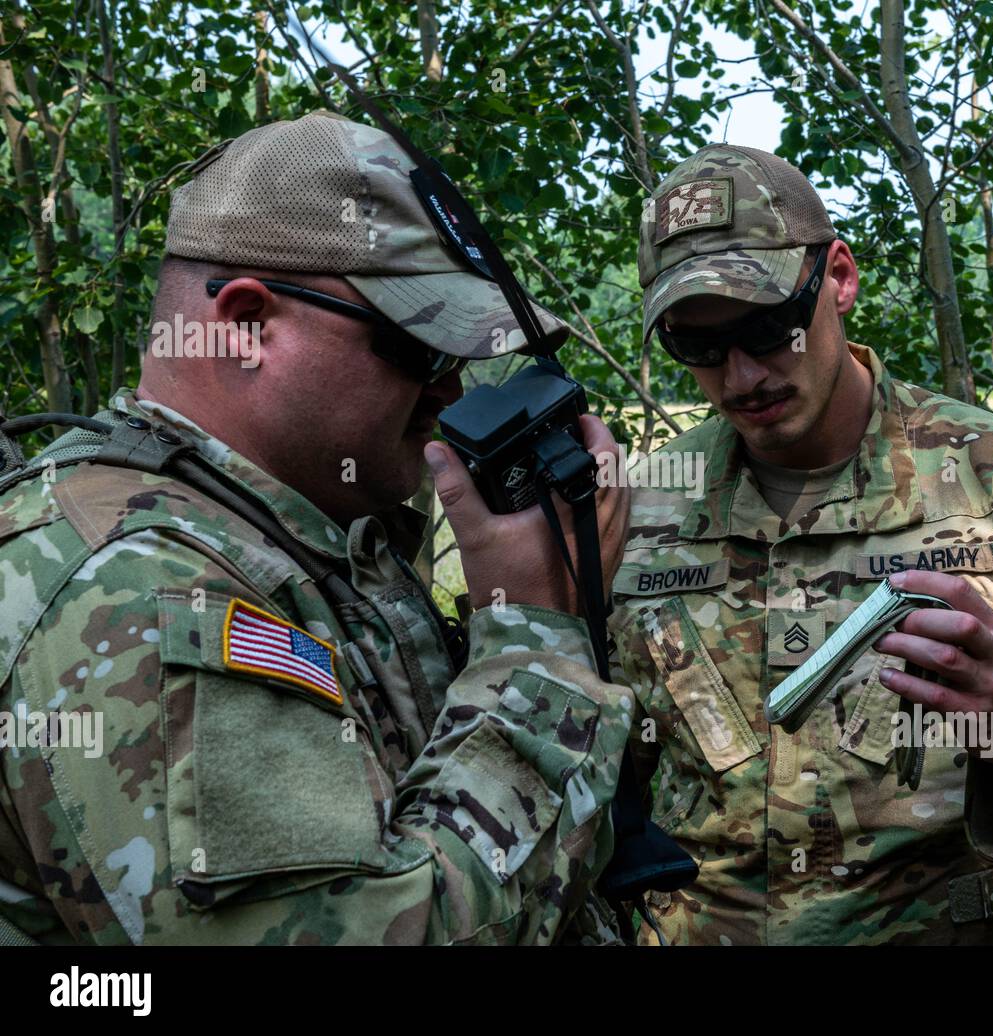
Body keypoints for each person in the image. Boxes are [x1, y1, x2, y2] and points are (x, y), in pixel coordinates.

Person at [0, 111, 634, 945]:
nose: (451, 393)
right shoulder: (140, 587)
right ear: (248, 322)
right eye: (420, 350)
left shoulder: (285, 536)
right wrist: (538, 646)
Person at [610, 143, 993, 945]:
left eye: (766, 328)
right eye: (698, 346)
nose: (741, 377)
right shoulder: (639, 512)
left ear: (837, 277)